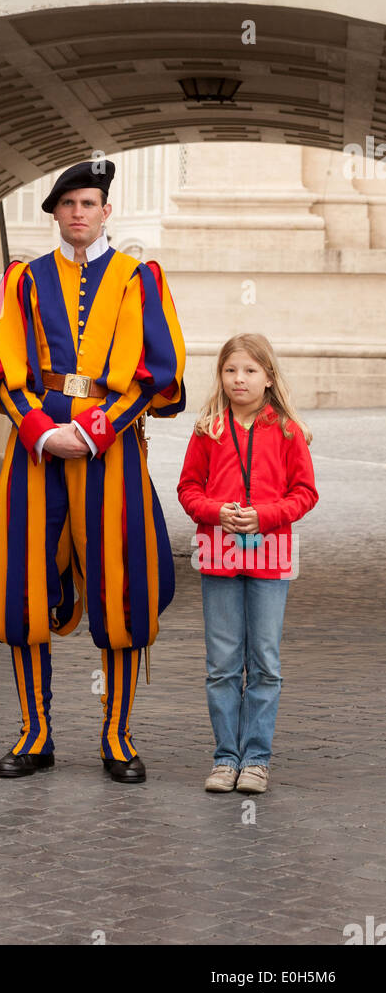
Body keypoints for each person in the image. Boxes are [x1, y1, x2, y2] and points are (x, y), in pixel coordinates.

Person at [0, 159, 186, 783]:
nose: (79, 213)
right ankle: (35, 733)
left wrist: (93, 430)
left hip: (111, 447)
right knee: (25, 588)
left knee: (122, 587)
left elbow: (157, 372)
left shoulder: (139, 278)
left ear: (106, 210)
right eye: (68, 205)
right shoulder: (25, 279)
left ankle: (117, 736)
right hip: (36, 448)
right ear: (56, 213)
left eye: (89, 203)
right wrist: (38, 428)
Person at [177, 333, 318, 795]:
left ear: (268, 377)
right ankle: (225, 758)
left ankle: (255, 759)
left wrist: (266, 515)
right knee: (221, 664)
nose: (240, 379)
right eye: (231, 369)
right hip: (218, 555)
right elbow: (188, 489)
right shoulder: (207, 430)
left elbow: (305, 492)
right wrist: (216, 511)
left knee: (264, 663)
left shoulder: (288, 431)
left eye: (250, 370)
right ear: (220, 375)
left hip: (269, 557)